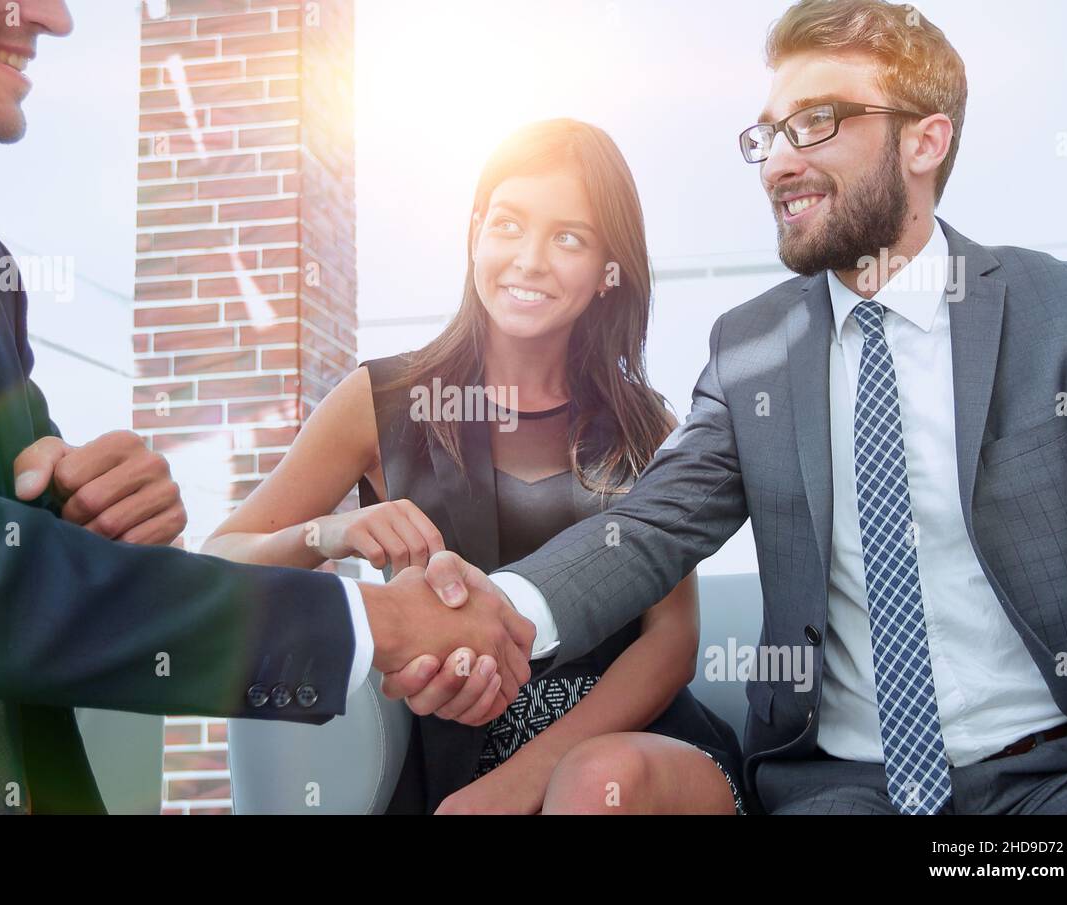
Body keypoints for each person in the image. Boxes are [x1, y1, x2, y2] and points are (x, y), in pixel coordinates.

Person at [386, 0, 1067, 816]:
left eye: (817, 123)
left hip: (1058, 776)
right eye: (769, 135)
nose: (776, 164)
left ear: (925, 140)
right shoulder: (751, 349)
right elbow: (652, 526)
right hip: (844, 785)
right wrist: (505, 609)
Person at [0, 0, 532, 814]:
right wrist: (375, 622)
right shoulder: (379, 397)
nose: (53, 18)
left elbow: (9, 555)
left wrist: (80, 512)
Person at [205, 119, 745, 814]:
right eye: (509, 224)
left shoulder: (650, 427)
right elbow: (219, 563)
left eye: (569, 238)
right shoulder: (381, 404)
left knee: (593, 785)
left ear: (609, 269)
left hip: (642, 755)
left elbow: (671, 641)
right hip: (454, 761)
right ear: (474, 233)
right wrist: (330, 535)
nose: (529, 260)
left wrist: (518, 785)